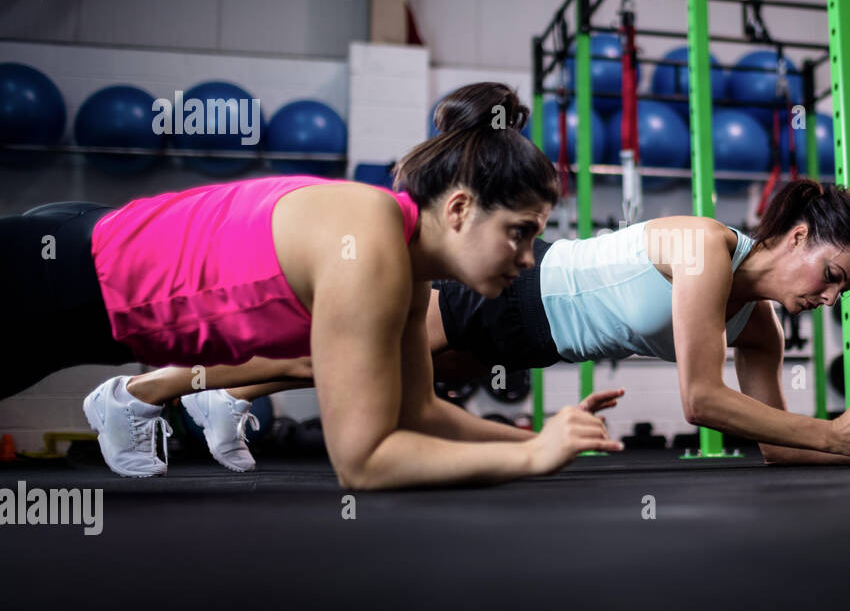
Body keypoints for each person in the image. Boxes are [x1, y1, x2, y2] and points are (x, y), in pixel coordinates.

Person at [0, 89, 623, 488]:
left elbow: (419, 413)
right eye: (518, 234)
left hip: (75, 273)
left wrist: (533, 436)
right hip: (47, 285)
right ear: (459, 209)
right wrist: (530, 458)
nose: (526, 258)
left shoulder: (404, 263)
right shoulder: (371, 244)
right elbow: (365, 461)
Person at [156, 161, 850, 466]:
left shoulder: (761, 326)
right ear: (798, 235)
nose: (833, 297)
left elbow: (777, 446)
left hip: (534, 344)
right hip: (511, 296)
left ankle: (221, 396)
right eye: (833, 274)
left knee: (370, 378)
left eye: (846, 290)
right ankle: (167, 387)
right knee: (334, 356)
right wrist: (833, 429)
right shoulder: (709, 246)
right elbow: (703, 402)